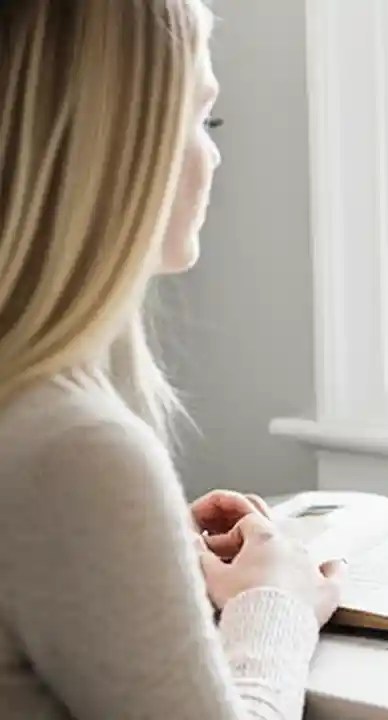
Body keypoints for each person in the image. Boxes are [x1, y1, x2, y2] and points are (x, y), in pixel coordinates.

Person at [0, 1, 344, 718]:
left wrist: (138, 561)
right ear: (107, 149)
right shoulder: (71, 450)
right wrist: (274, 602)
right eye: (200, 120)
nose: (213, 154)